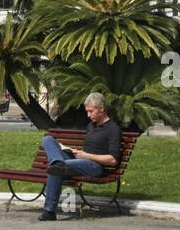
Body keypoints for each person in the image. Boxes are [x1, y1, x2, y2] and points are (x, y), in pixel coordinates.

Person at [38, 92, 122, 222]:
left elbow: (113, 160)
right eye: (87, 112)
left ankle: (49, 212)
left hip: (94, 166)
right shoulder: (91, 126)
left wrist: (86, 155)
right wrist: (72, 151)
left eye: (91, 111)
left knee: (55, 168)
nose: (88, 115)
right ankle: (58, 163)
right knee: (48, 139)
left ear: (101, 108)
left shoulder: (113, 129)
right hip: (80, 160)